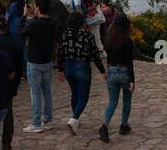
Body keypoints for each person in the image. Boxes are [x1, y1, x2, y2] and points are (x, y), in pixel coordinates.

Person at [57, 11, 105, 135]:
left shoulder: (64, 34)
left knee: (75, 93)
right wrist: (102, 70)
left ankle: (76, 118)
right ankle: (74, 119)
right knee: (83, 96)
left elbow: (60, 52)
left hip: (68, 67)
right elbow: (95, 54)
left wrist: (60, 69)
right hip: (82, 66)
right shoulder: (87, 35)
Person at [18, 0, 58, 134]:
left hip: (34, 62)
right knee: (46, 91)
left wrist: (24, 15)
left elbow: (20, 32)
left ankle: (36, 123)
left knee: (35, 93)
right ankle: (46, 120)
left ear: (38, 8)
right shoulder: (53, 22)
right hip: (48, 61)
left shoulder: (34, 24)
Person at [99, 13, 137, 143]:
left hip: (112, 71)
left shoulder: (109, 40)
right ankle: (124, 125)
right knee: (127, 100)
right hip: (125, 72)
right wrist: (132, 80)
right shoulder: (128, 41)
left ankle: (104, 125)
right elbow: (129, 63)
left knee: (112, 102)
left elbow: (108, 59)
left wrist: (108, 71)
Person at [0, 18, 24, 150]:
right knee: (8, 112)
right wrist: (16, 82)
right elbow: (21, 63)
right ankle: (7, 143)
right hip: (10, 84)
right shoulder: (15, 41)